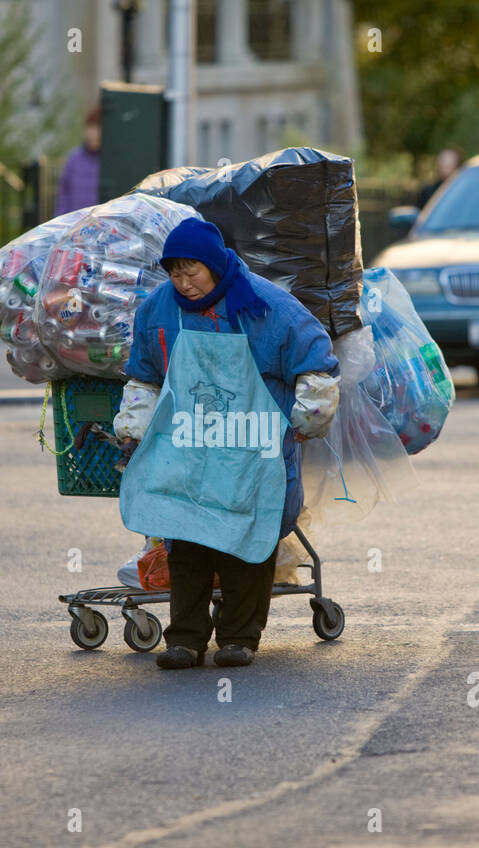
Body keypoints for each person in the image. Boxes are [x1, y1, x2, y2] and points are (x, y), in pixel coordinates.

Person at [115, 219, 341, 669]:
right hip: (189, 448)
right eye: (175, 273)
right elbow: (144, 376)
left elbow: (317, 367)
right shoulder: (159, 309)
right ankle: (185, 640)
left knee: (247, 539)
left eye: (192, 272)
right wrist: (133, 429)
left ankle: (240, 637)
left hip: (253, 450)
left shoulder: (268, 306)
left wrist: (306, 422)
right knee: (186, 536)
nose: (184, 283)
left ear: (215, 265)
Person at [54, 105, 101, 215]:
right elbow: (64, 195)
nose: (92, 134)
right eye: (90, 127)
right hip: (75, 225)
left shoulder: (112, 160)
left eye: (97, 128)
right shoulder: (74, 159)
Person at [416, 146, 465, 210]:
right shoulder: (428, 191)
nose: (445, 165)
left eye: (450, 162)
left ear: (458, 165)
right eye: (443, 160)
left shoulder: (463, 192)